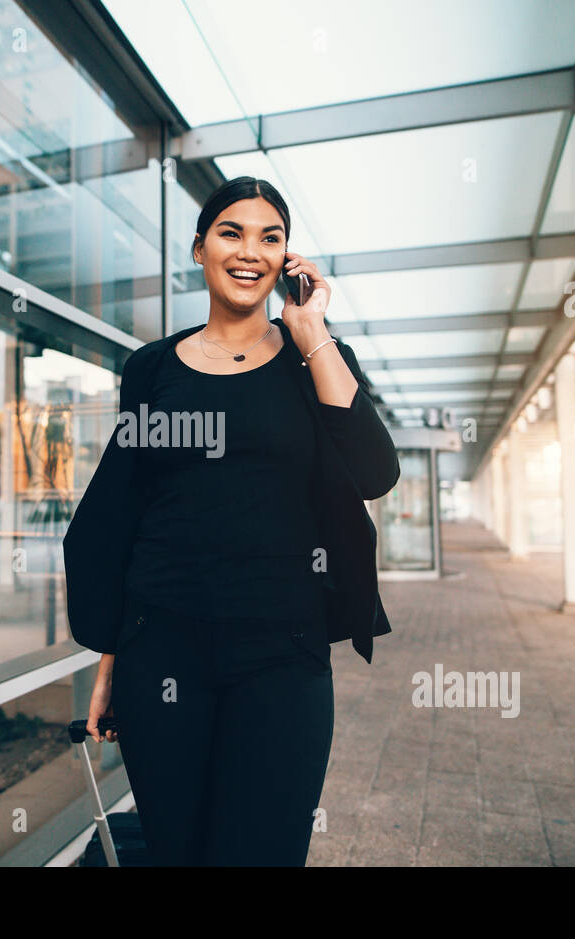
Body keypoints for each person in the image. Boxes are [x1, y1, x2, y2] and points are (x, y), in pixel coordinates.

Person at [62, 176, 400, 865]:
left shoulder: (316, 359)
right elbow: (127, 510)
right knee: (177, 852)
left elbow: (375, 473)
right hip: (163, 650)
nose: (251, 251)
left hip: (283, 654)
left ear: (287, 261)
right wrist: (110, 656)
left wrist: (312, 332)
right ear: (199, 249)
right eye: (231, 232)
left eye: (270, 238)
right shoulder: (153, 369)